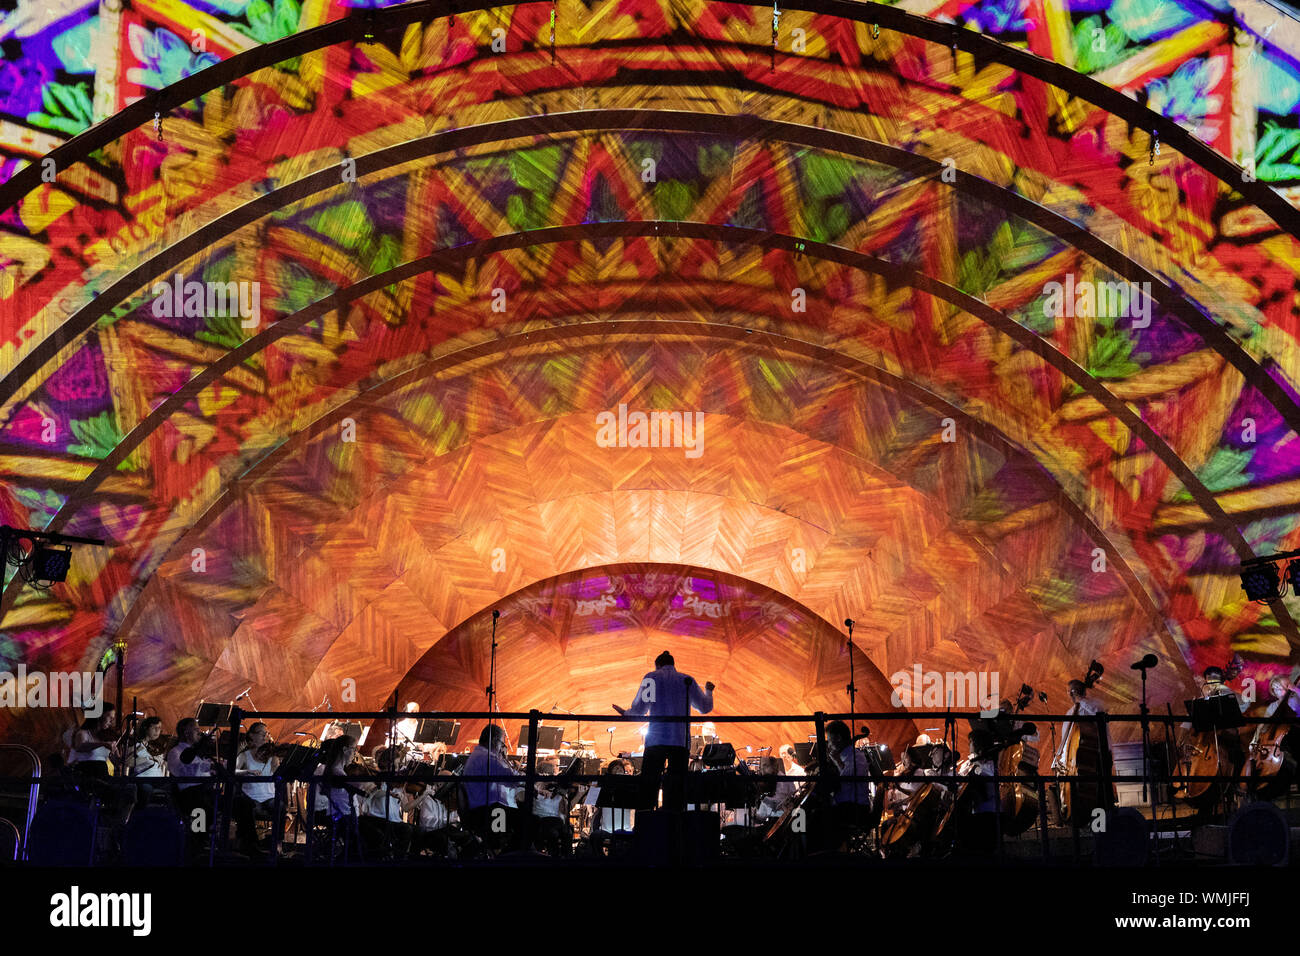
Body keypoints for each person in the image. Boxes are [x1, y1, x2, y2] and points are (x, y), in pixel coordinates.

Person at [613, 650, 714, 812]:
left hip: (656, 741)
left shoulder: (652, 678)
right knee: (677, 788)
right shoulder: (686, 680)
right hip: (679, 741)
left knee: (649, 785)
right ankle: (674, 826)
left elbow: (640, 709)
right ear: (673, 664)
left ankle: (647, 824)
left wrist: (625, 713)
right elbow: (704, 707)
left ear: (657, 665)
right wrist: (709, 691)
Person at [461, 725, 523, 848]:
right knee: (528, 820)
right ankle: (505, 855)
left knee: (522, 818)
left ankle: (507, 853)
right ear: (494, 741)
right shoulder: (486, 758)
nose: (501, 748)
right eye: (502, 743)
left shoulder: (480, 755)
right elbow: (510, 778)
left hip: (484, 809)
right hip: (489, 811)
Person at [234, 722, 282, 855]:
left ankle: (277, 842)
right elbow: (233, 771)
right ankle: (252, 843)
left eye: (267, 733)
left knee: (280, 806)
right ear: (252, 736)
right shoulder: (245, 755)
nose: (265, 736)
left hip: (269, 797)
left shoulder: (272, 757)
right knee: (247, 806)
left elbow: (278, 773)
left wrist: (277, 766)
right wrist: (247, 771)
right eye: (262, 733)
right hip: (251, 796)